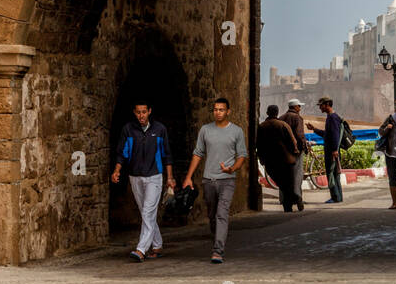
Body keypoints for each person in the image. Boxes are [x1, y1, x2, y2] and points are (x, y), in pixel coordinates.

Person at [182, 97, 248, 264]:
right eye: (215, 109)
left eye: (221, 109)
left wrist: (232, 169)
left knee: (222, 213)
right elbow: (198, 154)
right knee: (212, 214)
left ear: (228, 111)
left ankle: (218, 251)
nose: (217, 112)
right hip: (208, 180)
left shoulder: (237, 131)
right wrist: (189, 177)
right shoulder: (205, 130)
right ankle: (217, 235)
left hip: (227, 180)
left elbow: (242, 156)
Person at [111, 101, 174, 262]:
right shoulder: (128, 130)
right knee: (146, 213)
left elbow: (167, 155)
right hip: (135, 176)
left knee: (147, 212)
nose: (141, 116)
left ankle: (141, 249)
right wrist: (117, 170)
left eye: (144, 112)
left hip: (155, 176)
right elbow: (122, 152)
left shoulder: (159, 130)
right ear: (134, 112)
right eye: (138, 112)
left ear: (149, 112)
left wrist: (170, 177)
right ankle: (157, 245)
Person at [257, 105, 300, 213]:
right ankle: (292, 201)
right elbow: (293, 142)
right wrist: (294, 153)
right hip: (286, 160)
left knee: (281, 183)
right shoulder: (283, 125)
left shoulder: (262, 127)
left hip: (271, 161)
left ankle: (291, 202)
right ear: (277, 113)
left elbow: (259, 144)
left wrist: (262, 158)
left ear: (267, 113)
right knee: (287, 184)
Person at [307, 97, 344, 203]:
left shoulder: (332, 117)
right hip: (332, 150)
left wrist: (334, 150)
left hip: (332, 151)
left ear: (327, 104)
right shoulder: (331, 117)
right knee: (335, 174)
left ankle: (335, 197)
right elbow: (327, 135)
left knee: (331, 174)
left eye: (321, 105)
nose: (320, 108)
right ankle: (338, 197)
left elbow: (335, 135)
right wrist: (314, 129)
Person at [282, 98, 308, 211]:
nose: (300, 108)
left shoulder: (281, 118)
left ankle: (285, 202)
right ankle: (298, 199)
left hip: (283, 152)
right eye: (299, 106)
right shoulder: (297, 118)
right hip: (295, 152)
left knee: (284, 177)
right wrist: (304, 147)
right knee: (297, 176)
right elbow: (299, 135)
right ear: (295, 107)